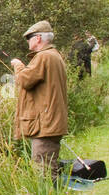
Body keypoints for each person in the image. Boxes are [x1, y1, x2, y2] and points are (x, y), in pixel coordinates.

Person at [10, 19, 68, 173]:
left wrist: (18, 65)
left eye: (29, 38)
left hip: (46, 124)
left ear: (38, 38)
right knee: (47, 165)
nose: (28, 42)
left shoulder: (44, 57)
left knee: (43, 169)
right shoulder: (54, 55)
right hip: (51, 121)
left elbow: (24, 80)